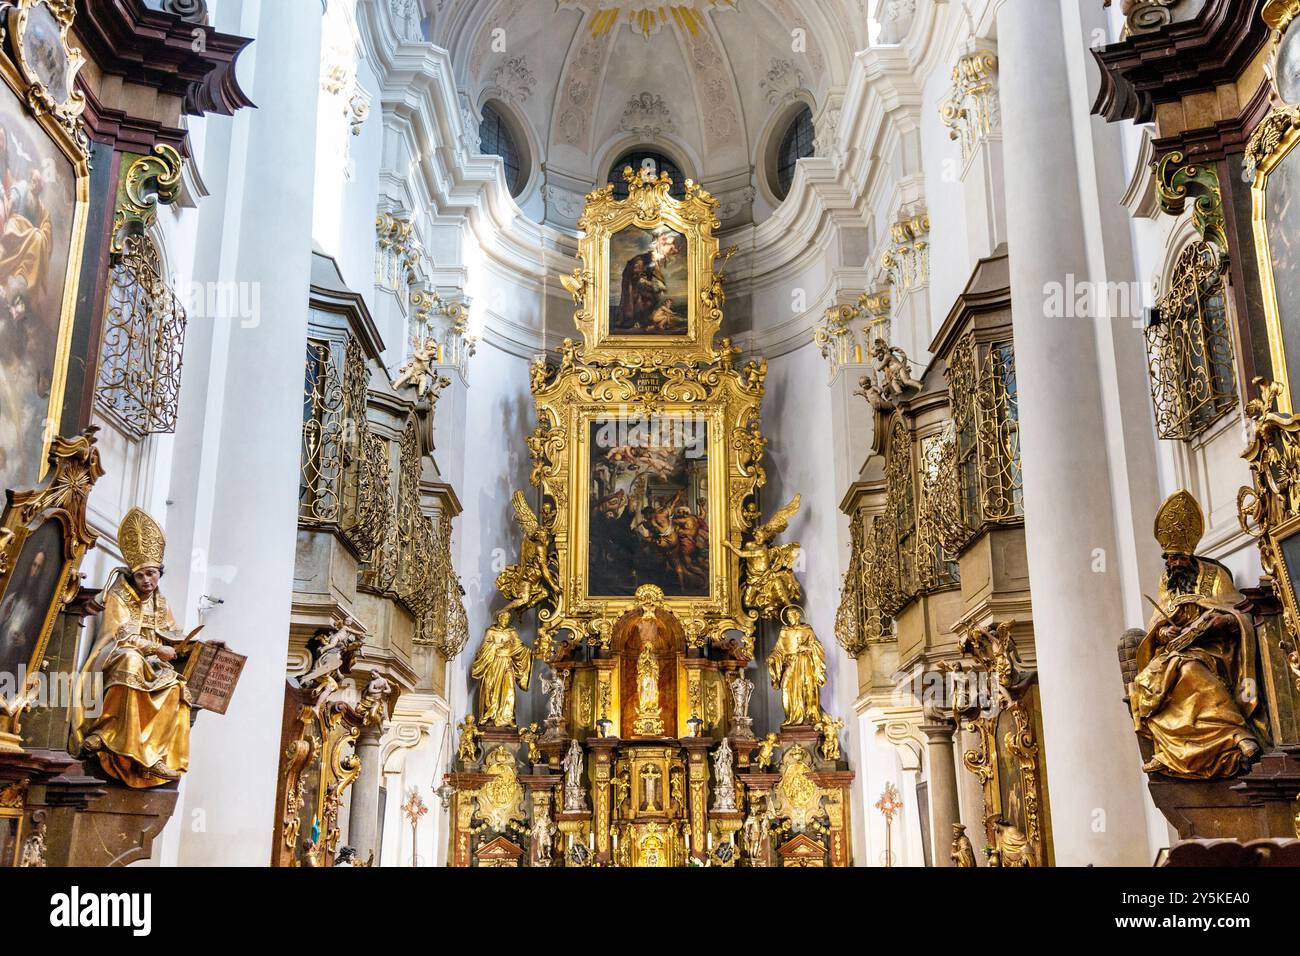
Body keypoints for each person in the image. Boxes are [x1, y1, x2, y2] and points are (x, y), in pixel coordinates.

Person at [1129, 490, 1266, 779]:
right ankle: (1171, 752)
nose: (1172, 564)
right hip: (1178, 649)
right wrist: (1165, 632)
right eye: (1169, 558)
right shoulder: (1168, 582)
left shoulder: (1215, 576)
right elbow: (1158, 622)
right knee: (1148, 681)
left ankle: (1237, 735)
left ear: (1189, 556)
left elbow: (1237, 612)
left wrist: (1221, 621)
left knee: (1189, 669)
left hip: (1217, 650)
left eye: (1178, 558)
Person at [72, 508, 192, 788]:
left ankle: (155, 755)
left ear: (159, 573)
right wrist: (155, 649)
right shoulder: (119, 595)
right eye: (141, 576)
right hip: (114, 656)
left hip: (153, 665)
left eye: (151, 574)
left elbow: (173, 635)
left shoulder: (161, 603)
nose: (147, 581)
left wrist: (190, 646)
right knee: (131, 661)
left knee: (175, 685)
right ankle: (107, 732)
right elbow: (121, 635)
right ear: (133, 575)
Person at [615, 226, 684, 333]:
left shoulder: (654, 261)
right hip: (639, 299)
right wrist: (655, 286)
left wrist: (658, 285)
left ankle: (646, 321)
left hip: (646, 301)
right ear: (660, 242)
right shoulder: (642, 261)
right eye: (670, 244)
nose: (673, 247)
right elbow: (637, 279)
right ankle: (639, 321)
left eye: (673, 244)